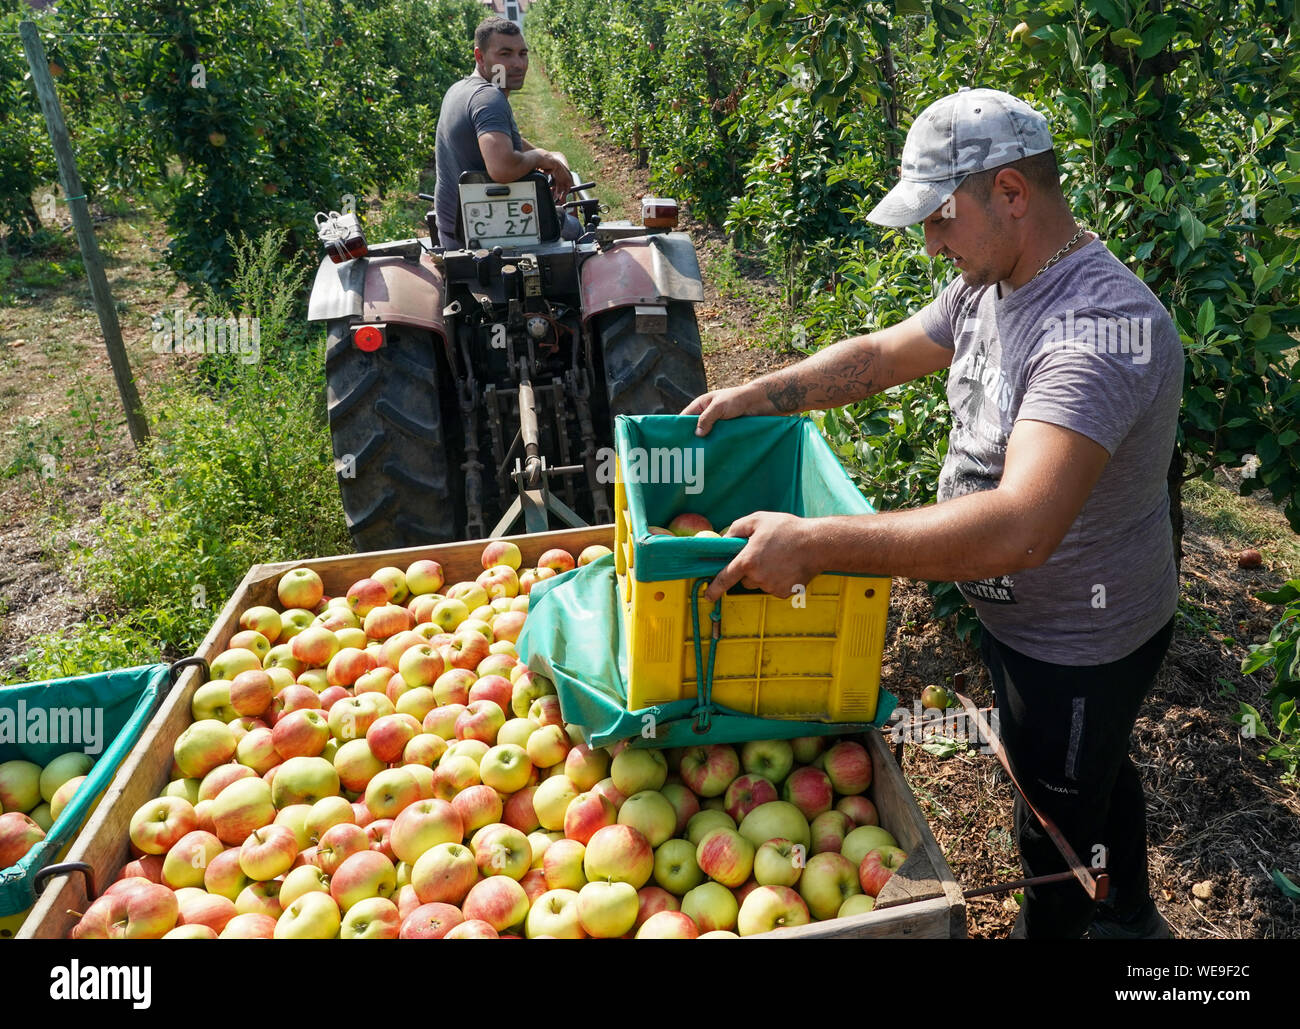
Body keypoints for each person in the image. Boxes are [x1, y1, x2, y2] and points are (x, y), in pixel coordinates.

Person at [682, 87, 1181, 940]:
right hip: (1032, 626)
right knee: (1086, 771)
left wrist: (818, 544)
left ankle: (1079, 925)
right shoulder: (995, 283)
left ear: (1012, 194)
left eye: (940, 218)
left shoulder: (1096, 332)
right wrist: (762, 394)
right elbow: (881, 356)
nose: (931, 240)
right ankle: (1133, 912)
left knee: (1051, 827)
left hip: (1081, 641)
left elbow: (1021, 527)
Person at [433, 17, 579, 250]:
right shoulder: (490, 98)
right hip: (491, 241)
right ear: (480, 57)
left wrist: (551, 156)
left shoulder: (459, 90)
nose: (518, 64)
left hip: (454, 235)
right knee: (579, 232)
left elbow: (503, 141)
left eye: (522, 54)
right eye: (505, 54)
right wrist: (541, 157)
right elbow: (502, 168)